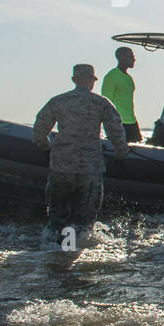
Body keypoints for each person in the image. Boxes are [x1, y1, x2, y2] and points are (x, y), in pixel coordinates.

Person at [32, 63, 129, 242]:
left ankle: (55, 253)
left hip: (62, 166)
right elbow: (116, 132)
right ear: (92, 81)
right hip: (90, 169)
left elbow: (38, 131)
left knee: (57, 219)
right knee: (85, 222)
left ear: (74, 80)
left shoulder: (58, 101)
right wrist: (121, 154)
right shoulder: (101, 103)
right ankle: (75, 254)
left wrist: (46, 148)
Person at [101, 46, 143, 143]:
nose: (134, 59)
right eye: (131, 56)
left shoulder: (129, 79)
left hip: (131, 120)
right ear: (121, 57)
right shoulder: (111, 76)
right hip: (117, 122)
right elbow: (105, 102)